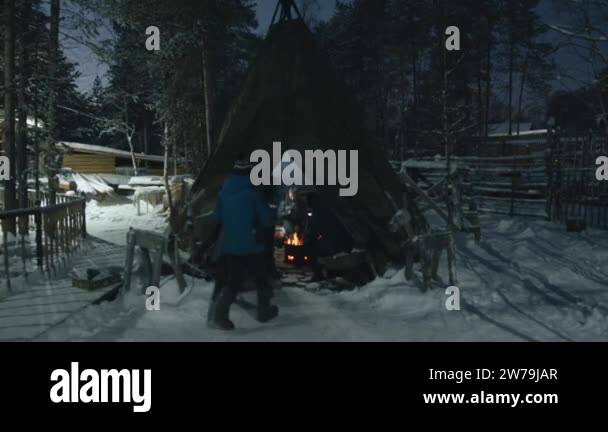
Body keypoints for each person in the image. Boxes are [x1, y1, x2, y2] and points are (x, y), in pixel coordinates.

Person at [208, 155, 279, 331]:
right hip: (252, 246)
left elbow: (216, 217)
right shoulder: (252, 194)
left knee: (234, 282)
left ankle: (220, 316)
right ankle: (263, 312)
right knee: (262, 279)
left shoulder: (224, 192)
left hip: (230, 246)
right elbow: (267, 220)